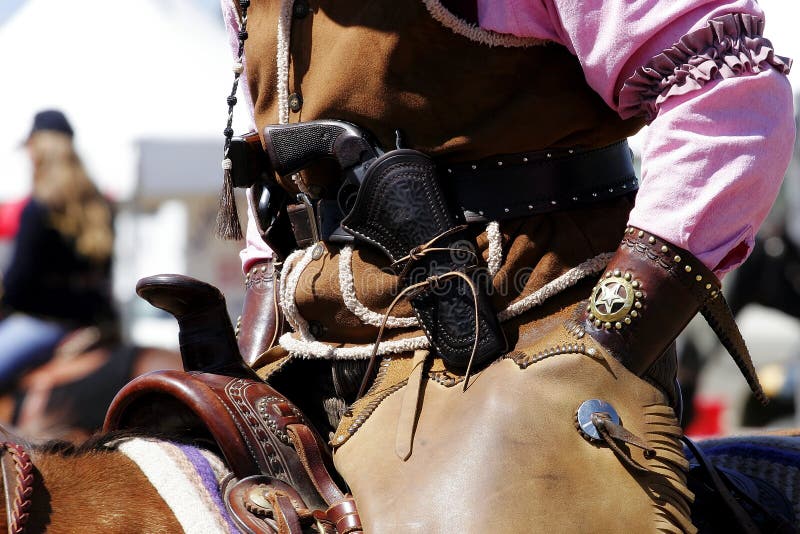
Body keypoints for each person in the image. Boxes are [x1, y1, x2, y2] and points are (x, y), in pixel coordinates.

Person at [218, 0, 795, 531]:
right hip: (302, 359)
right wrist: (255, 334)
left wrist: (604, 348)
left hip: (529, 351)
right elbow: (273, 169)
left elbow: (728, 95)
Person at [0, 110, 116, 390]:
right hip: (97, 325)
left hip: (44, 326)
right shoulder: (101, 205)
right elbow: (106, 275)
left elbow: (18, 286)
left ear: (37, 149)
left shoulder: (37, 208)